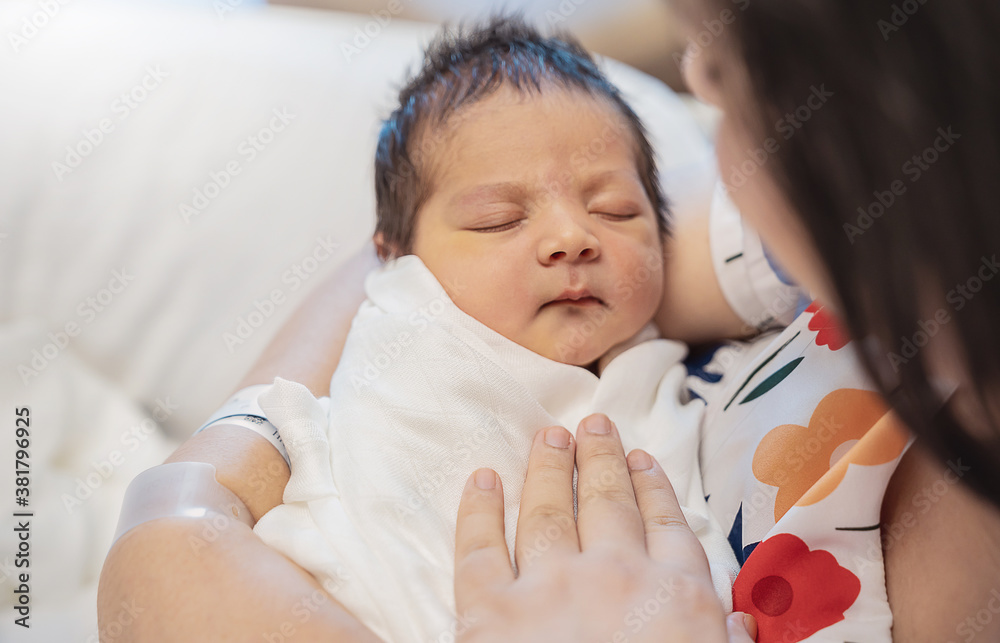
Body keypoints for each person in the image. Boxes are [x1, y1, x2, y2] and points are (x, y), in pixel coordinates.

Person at [98, 1, 1000, 642]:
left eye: (718, 84)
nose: (572, 238)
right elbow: (391, 265)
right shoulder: (827, 232)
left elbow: (171, 552)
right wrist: (187, 512)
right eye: (503, 218)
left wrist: (184, 521)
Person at [249, 17, 748, 642]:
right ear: (396, 258)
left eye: (614, 209)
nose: (572, 238)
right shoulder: (411, 325)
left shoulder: (655, 358)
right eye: (499, 220)